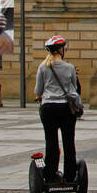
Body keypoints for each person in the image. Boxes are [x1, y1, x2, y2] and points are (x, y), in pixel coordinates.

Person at [34, 36, 80, 182]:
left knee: (51, 143)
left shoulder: (42, 67)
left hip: (48, 108)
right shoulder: (69, 67)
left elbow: (38, 90)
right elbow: (75, 89)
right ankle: (70, 176)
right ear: (60, 50)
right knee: (69, 143)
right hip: (66, 109)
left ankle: (50, 175)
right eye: (64, 47)